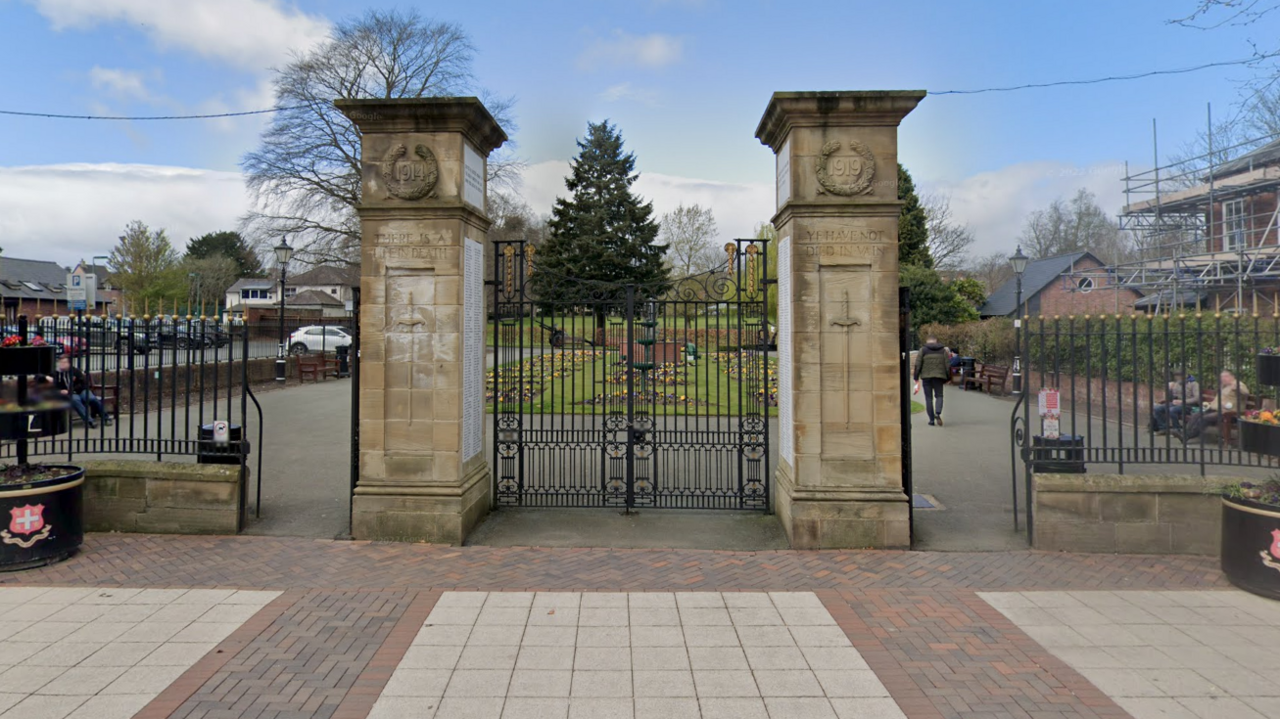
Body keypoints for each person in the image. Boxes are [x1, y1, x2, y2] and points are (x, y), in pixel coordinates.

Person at [1180, 370, 1247, 443]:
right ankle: (1184, 434)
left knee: (1204, 418)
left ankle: (1188, 436)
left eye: (1226, 376)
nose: (1223, 378)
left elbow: (1245, 392)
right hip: (1215, 409)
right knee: (1196, 415)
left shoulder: (1238, 384)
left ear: (1232, 376)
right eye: (1222, 377)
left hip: (1228, 413)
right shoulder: (1224, 385)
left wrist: (1237, 388)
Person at [44, 357, 111, 429]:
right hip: (70, 394)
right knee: (75, 400)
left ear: (69, 364)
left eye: (64, 362)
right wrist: (46, 378)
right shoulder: (56, 373)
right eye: (61, 362)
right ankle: (90, 421)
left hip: (81, 390)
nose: (62, 364)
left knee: (91, 399)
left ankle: (106, 418)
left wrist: (71, 389)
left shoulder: (75, 371)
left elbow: (83, 383)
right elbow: (41, 378)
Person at [913, 336, 951, 426]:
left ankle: (931, 420)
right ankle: (938, 413)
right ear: (936, 341)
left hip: (926, 377)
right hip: (939, 377)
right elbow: (948, 365)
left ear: (927, 341)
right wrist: (948, 378)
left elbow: (918, 364)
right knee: (939, 396)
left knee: (928, 398)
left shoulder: (923, 350)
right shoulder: (943, 351)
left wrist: (916, 377)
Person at [1151, 367, 1200, 435]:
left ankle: (1177, 430)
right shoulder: (1177, 383)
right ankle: (1163, 429)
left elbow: (1197, 398)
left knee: (1172, 410)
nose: (1177, 379)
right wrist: (1170, 389)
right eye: (1176, 377)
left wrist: (1182, 401)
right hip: (1177, 404)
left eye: (1179, 376)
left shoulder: (1194, 384)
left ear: (1185, 375)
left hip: (1189, 405)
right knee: (1157, 408)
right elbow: (1172, 397)